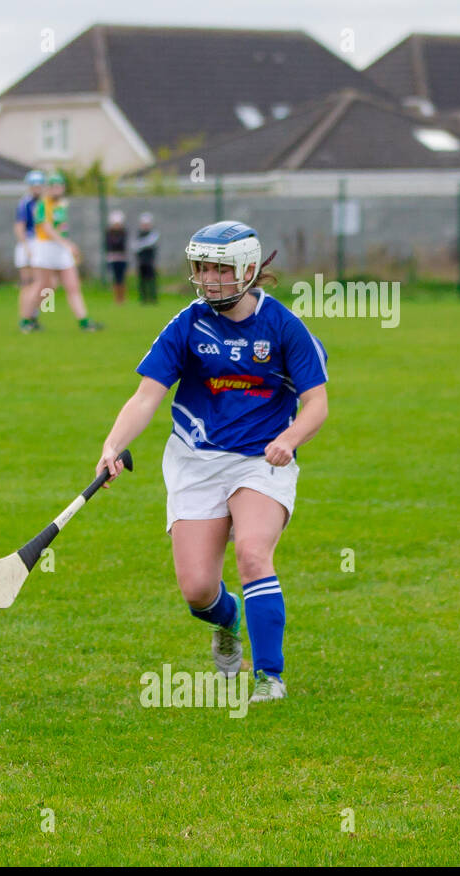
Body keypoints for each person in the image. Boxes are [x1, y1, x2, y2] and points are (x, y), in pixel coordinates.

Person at [94, 221, 328, 704]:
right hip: (195, 459)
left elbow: (317, 404)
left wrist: (290, 438)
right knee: (198, 589)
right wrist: (112, 445)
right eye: (201, 267)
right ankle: (227, 619)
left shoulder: (283, 327)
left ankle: (269, 676)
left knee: (252, 553)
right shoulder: (187, 324)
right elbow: (145, 397)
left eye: (218, 268)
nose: (207, 278)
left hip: (261, 459)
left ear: (246, 270)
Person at [27, 172, 101, 332]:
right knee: (45, 287)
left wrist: (65, 245)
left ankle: (84, 321)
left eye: (59, 186)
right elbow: (46, 228)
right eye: (54, 186)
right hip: (46, 247)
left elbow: (61, 228)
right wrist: (67, 244)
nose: (57, 189)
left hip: (61, 249)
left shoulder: (61, 204)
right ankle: (28, 318)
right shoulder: (42, 204)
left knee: (73, 285)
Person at [14, 170, 45, 332]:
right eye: (34, 185)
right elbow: (19, 227)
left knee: (39, 285)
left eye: (39, 185)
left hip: (38, 244)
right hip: (30, 244)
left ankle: (30, 317)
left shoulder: (43, 203)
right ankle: (26, 318)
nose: (37, 188)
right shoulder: (26, 203)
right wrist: (26, 247)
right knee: (31, 284)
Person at [134, 212, 159, 304]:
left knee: (152, 280)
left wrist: (140, 245)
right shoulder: (139, 234)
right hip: (141, 261)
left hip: (150, 261)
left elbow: (148, 244)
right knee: (142, 281)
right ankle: (143, 299)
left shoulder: (153, 235)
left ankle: (153, 298)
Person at [105, 210, 129, 305]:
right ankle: (116, 298)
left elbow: (121, 245)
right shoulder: (109, 233)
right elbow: (109, 245)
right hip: (112, 258)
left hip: (122, 258)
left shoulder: (123, 233)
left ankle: (122, 298)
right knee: (115, 279)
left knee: (122, 278)